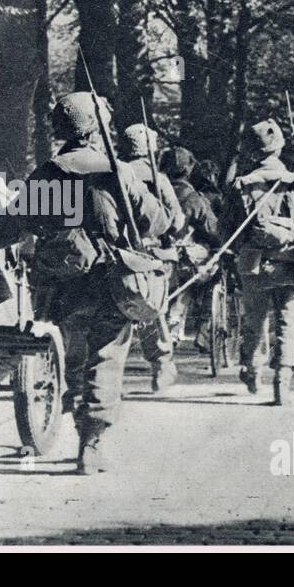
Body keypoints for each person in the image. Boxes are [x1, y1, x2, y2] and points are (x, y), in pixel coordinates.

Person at [0, 92, 171, 474]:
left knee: (73, 356)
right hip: (112, 282)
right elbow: (158, 223)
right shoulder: (118, 172)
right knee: (105, 359)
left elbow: (5, 228)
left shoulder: (47, 174)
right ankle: (90, 443)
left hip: (62, 285)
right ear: (94, 129)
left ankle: (78, 424)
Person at [224, 119, 294, 405]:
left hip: (255, 266)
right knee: (288, 322)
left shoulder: (241, 186)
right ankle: (282, 378)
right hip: (293, 264)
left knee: (254, 321)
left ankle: (251, 368)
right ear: (280, 147)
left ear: (251, 151)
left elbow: (228, 228)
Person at [118, 124, 185, 392]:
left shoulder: (114, 171)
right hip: (150, 251)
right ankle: (160, 366)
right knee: (151, 305)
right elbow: (177, 220)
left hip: (116, 248)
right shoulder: (158, 178)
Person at [160, 147, 222, 351]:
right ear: (188, 170)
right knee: (208, 271)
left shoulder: (150, 192)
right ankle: (202, 331)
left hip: (151, 255)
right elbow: (213, 231)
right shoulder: (195, 199)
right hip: (181, 259)